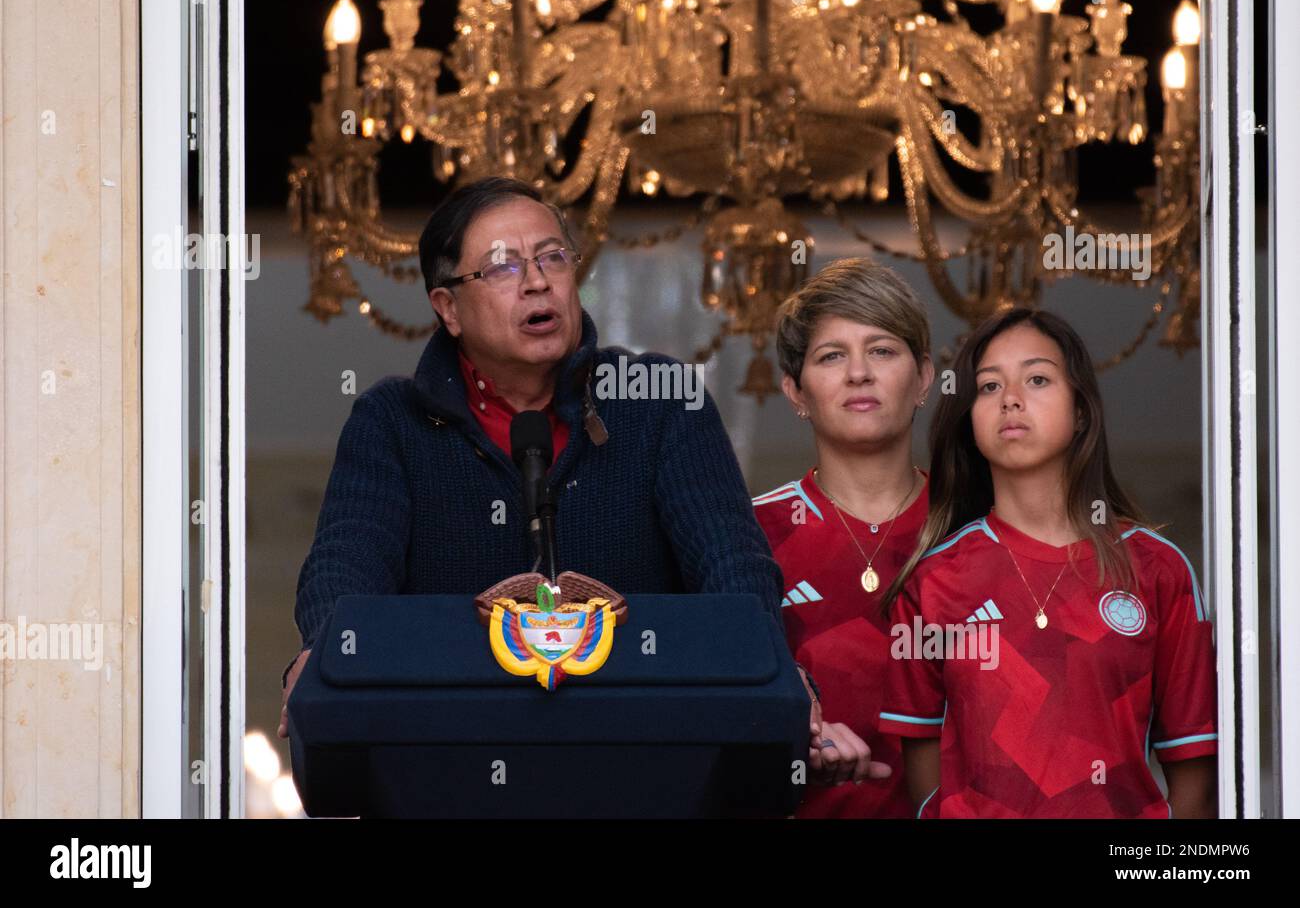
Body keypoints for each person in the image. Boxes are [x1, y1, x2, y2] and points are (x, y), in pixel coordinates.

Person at [279, 176, 823, 760]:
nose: (538, 281)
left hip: (642, 761)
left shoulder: (660, 400)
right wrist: (326, 649)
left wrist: (770, 660)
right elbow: (347, 560)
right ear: (448, 308)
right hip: (447, 763)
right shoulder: (392, 422)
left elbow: (730, 563)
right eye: (503, 267)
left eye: (553, 257)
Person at [878, 308, 1218, 818]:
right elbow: (924, 773)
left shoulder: (1157, 569)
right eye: (989, 387)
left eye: (1038, 379)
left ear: (1081, 410)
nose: (1011, 399)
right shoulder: (933, 580)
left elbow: (1195, 771)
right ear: (971, 418)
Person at [752, 258, 932, 814]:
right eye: (832, 356)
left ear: (924, 377)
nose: (859, 373)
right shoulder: (746, 536)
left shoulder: (980, 525)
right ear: (795, 391)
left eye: (881, 350)